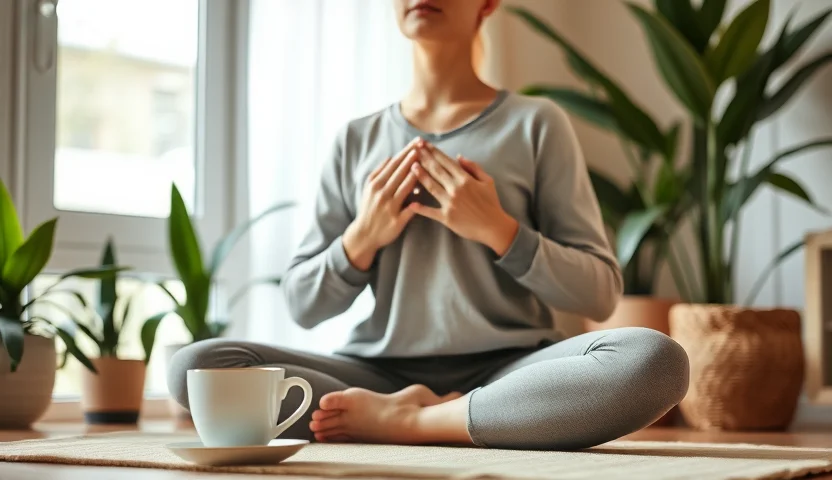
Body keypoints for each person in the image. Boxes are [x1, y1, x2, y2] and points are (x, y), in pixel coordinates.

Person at [168, 0, 689, 450]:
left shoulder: (536, 124)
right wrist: (363, 237)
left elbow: (599, 293)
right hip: (377, 374)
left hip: (510, 372)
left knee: (655, 361)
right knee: (196, 366)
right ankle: (457, 419)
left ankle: (414, 422)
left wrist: (498, 230)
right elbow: (304, 304)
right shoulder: (356, 140)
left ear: (488, 3)